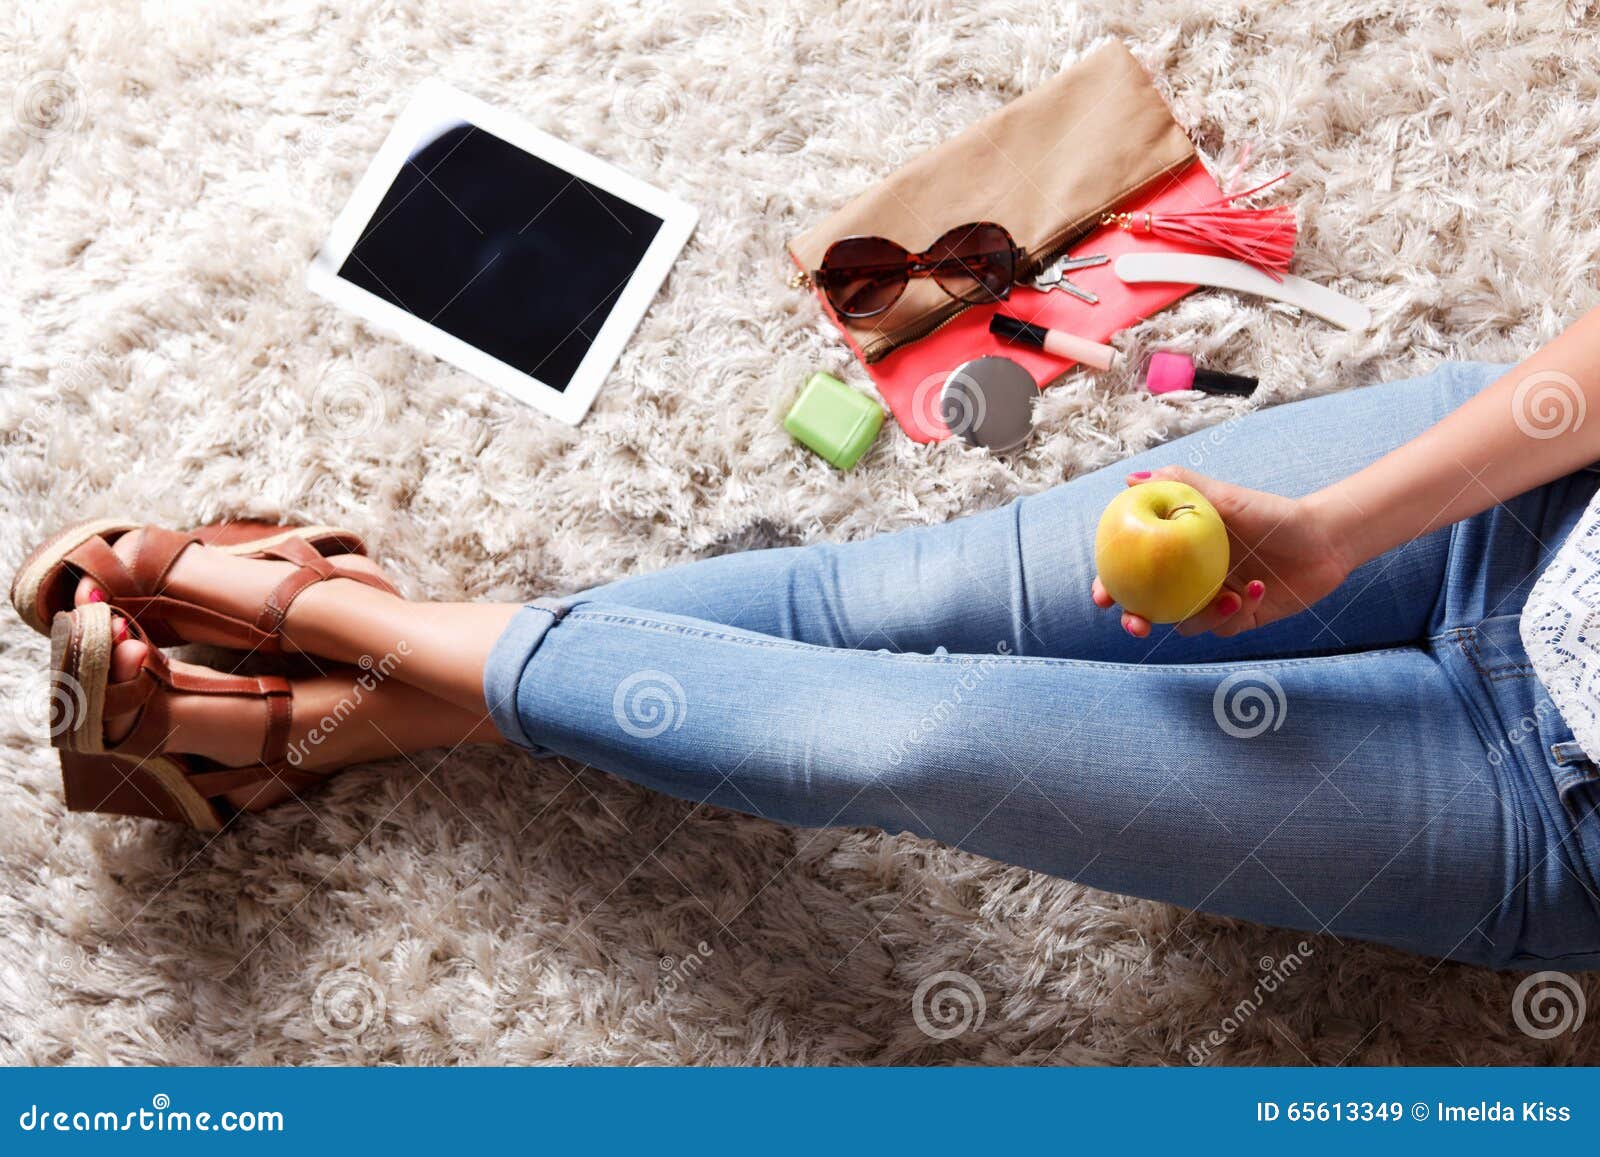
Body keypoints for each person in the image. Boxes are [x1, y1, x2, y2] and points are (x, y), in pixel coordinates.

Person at [19, 310, 1600, 970]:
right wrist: (1345, 524)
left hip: (1550, 817)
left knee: (915, 738)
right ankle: (333, 718)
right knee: (890, 599)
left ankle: (345, 620)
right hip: (1511, 498)